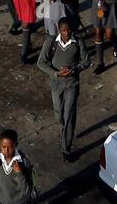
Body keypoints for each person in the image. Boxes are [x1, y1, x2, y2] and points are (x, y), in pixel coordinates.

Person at [37, 17, 89, 162]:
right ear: (59, 30)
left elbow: (87, 61)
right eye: (64, 30)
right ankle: (64, 131)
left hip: (72, 84)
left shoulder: (78, 42)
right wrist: (55, 73)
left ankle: (66, 148)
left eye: (69, 30)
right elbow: (40, 62)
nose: (67, 33)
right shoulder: (51, 42)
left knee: (69, 115)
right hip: (56, 84)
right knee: (59, 115)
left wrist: (74, 69)